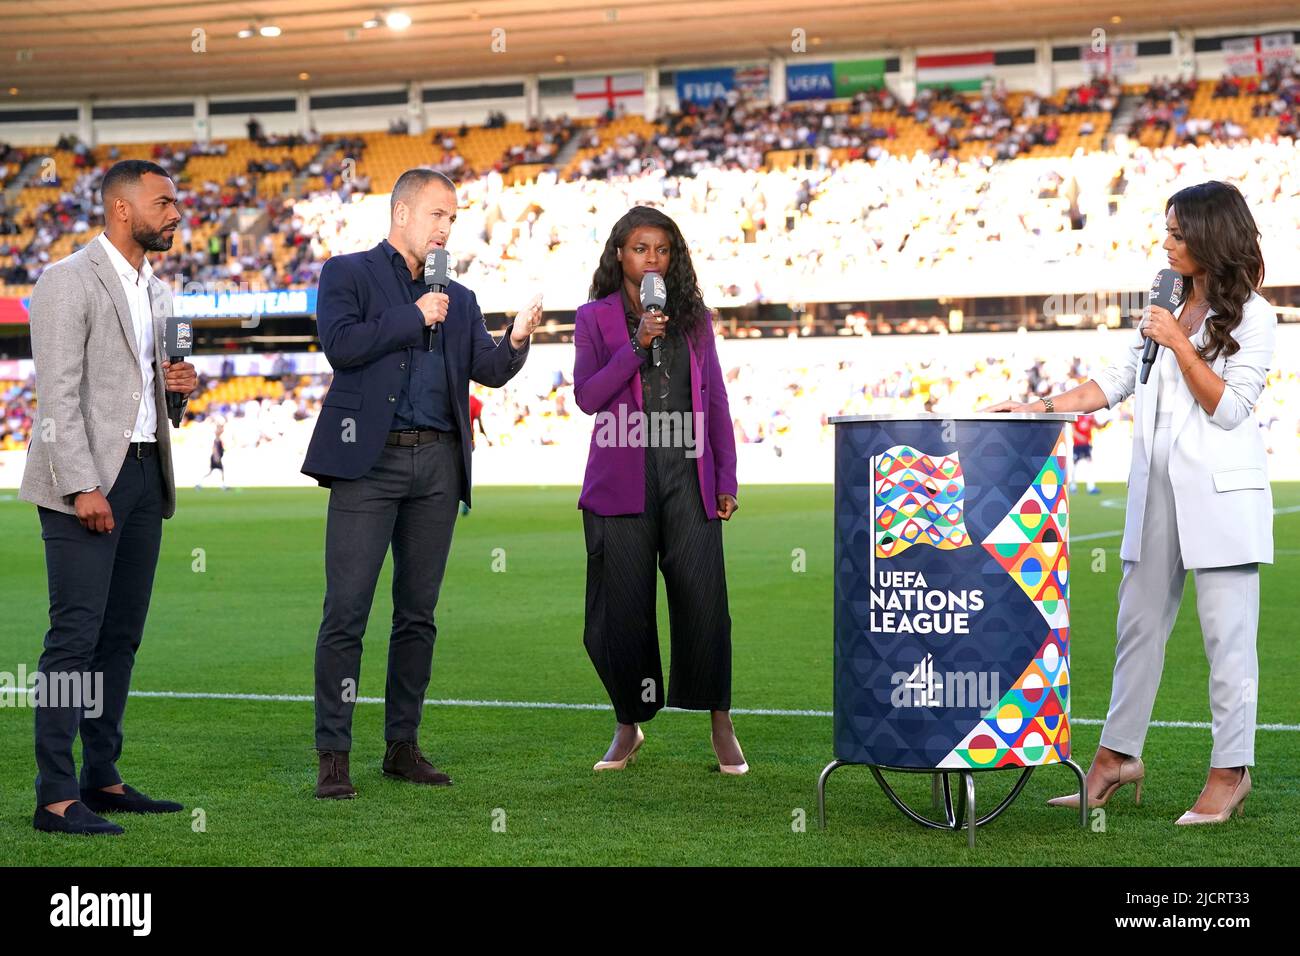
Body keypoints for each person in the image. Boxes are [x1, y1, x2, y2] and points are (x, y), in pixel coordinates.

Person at [983, 181, 1275, 825]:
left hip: (1223, 500)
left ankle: (1231, 770)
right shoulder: (1165, 297)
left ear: (1210, 236)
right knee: (1136, 629)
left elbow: (1227, 409)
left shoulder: (1255, 315)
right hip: (1157, 492)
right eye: (1166, 231)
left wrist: (1178, 342)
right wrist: (1035, 410)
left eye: (1176, 233)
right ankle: (1116, 757)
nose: (1165, 243)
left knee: (1229, 639)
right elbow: (1116, 381)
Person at [301, 168, 542, 799]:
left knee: (417, 616)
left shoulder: (457, 299)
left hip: (437, 465)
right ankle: (333, 754)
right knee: (346, 613)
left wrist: (515, 339)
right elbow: (341, 345)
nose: (446, 228)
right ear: (403, 213)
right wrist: (413, 316)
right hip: (367, 464)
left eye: (453, 219)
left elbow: (485, 369)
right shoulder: (347, 273)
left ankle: (402, 746)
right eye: (438, 215)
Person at [19, 160, 198, 835]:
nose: (176, 212)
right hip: (87, 480)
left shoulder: (160, 291)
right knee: (74, 638)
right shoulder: (66, 281)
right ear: (121, 209)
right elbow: (57, 395)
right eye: (164, 202)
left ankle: (103, 775)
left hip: (149, 476)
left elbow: (156, 402)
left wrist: (178, 390)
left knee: (119, 639)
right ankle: (55, 794)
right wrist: (81, 484)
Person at [572, 205, 745, 775]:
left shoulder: (696, 320)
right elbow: (589, 397)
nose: (653, 258)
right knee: (620, 611)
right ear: (620, 255)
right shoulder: (593, 318)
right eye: (641, 248)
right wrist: (636, 342)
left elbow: (715, 401)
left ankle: (720, 720)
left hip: (687, 470)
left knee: (705, 602)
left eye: (663, 249)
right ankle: (629, 724)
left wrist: (726, 478)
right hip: (621, 473)